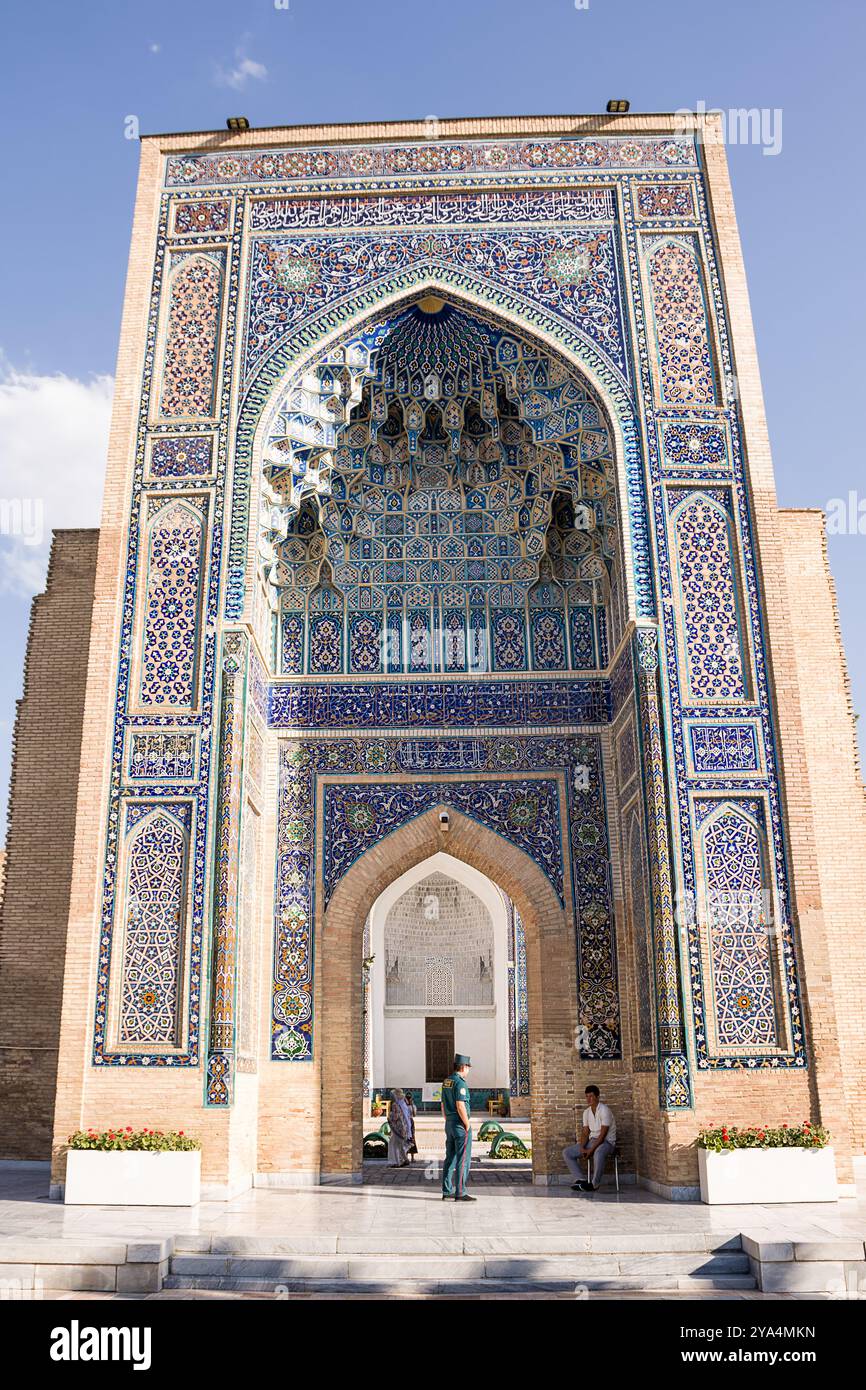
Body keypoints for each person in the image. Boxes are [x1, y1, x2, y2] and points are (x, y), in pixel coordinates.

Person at [562, 1085, 617, 1193]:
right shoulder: (586, 1112)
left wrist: (590, 1151)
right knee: (567, 1152)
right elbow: (585, 1132)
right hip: (592, 1142)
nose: (588, 1099)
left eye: (591, 1096)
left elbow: (602, 1135)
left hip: (607, 1143)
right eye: (587, 1096)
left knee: (598, 1152)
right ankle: (581, 1180)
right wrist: (582, 1147)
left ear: (597, 1097)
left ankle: (594, 1184)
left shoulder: (605, 1110)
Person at [441, 1054, 476, 1201]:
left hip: (449, 1123)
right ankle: (460, 1192)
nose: (468, 1070)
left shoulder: (447, 1082)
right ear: (463, 1067)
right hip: (460, 1125)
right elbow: (460, 1105)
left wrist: (447, 1119)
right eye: (468, 1067)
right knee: (463, 1159)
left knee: (450, 1157)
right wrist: (467, 1124)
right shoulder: (460, 1083)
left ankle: (447, 1190)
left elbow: (442, 1104)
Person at [387, 1088, 413, 1168]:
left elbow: (395, 1117)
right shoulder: (403, 1103)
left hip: (398, 1128)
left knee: (395, 1145)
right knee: (400, 1145)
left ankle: (397, 1162)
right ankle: (405, 1160)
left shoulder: (395, 1105)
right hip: (403, 1127)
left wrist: (389, 1117)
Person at [404, 1091, 418, 1161]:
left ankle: (406, 1157)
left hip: (404, 1122)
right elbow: (414, 1115)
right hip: (410, 1121)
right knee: (412, 1138)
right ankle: (412, 1158)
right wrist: (412, 1105)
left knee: (405, 1138)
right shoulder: (413, 1106)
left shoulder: (404, 1106)